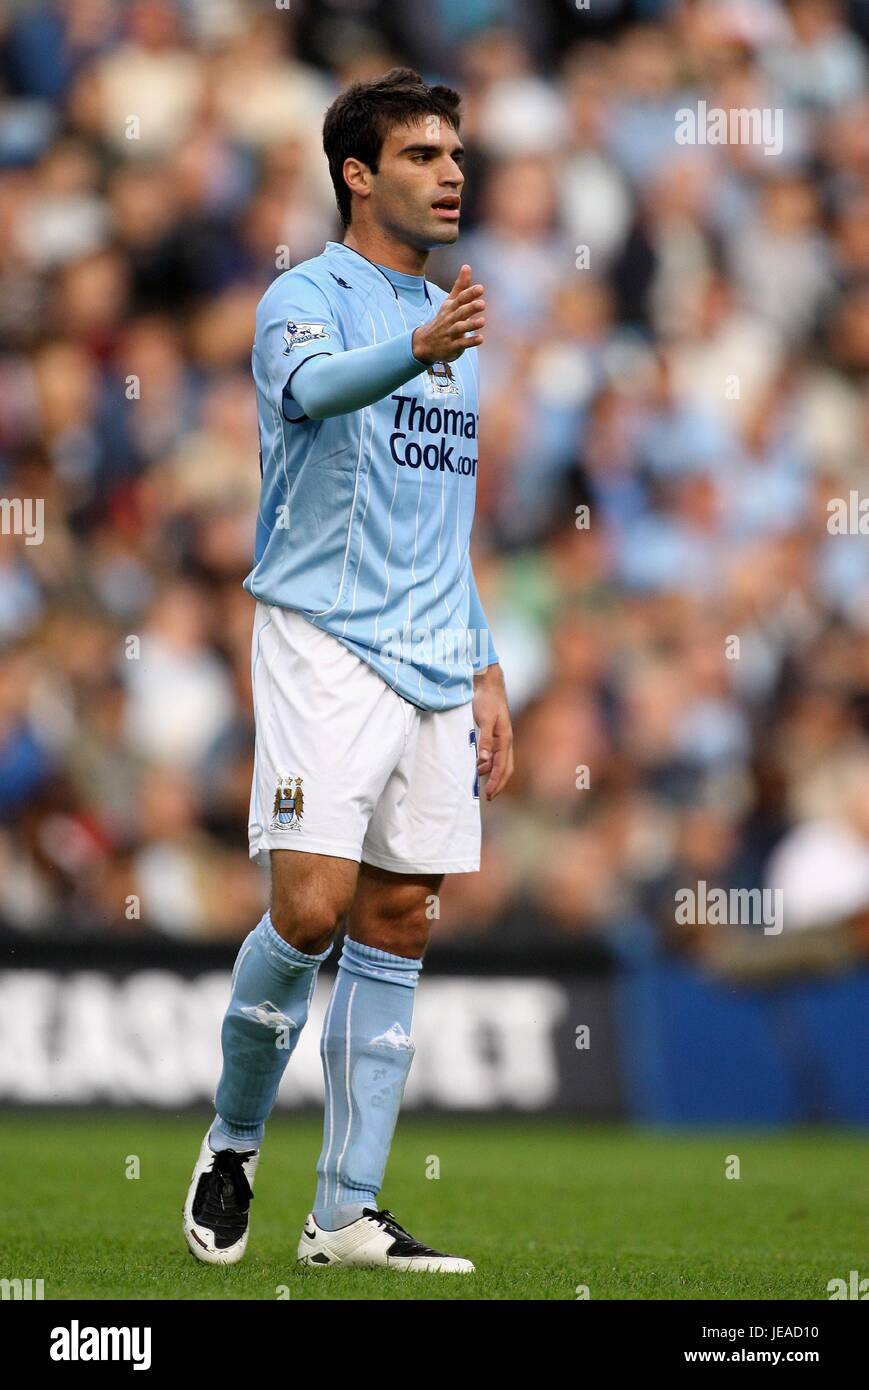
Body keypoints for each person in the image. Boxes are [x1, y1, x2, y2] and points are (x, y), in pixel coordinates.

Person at [182, 67, 514, 1274]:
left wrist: (485, 666)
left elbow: (443, 519)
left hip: (436, 652)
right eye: (424, 154)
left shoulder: (459, 322)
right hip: (323, 637)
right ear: (358, 175)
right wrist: (415, 345)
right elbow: (312, 395)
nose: (451, 171)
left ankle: (344, 1215)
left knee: (398, 920)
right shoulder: (300, 298)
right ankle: (231, 1141)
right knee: (310, 907)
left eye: (456, 153)